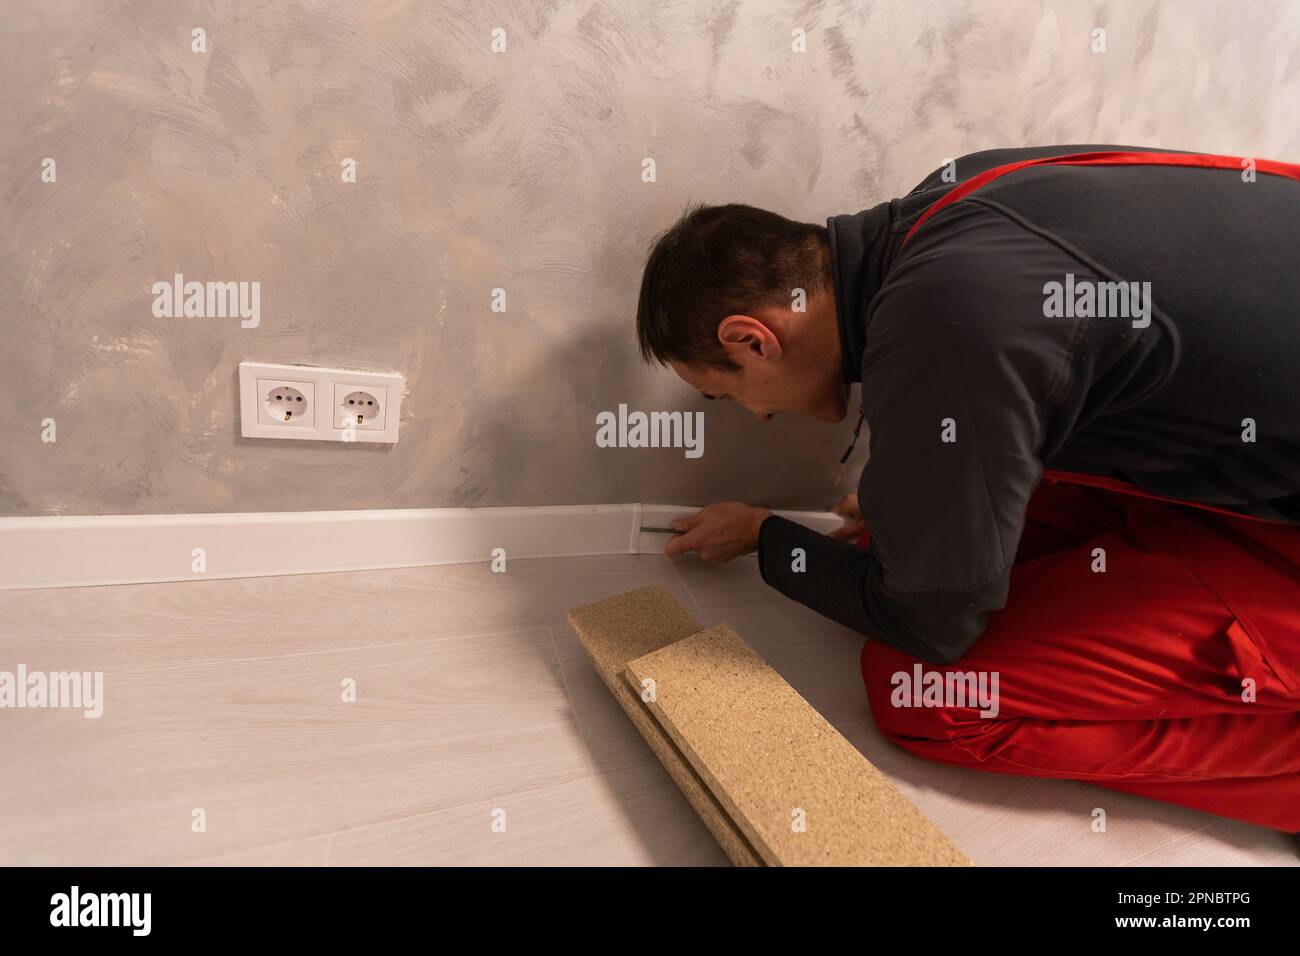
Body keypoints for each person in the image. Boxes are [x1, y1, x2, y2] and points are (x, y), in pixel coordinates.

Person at [634, 146, 1300, 832]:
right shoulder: (950, 204)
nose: (761, 415)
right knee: (893, 543)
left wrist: (768, 538)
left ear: (752, 339)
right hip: (1253, 461)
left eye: (729, 393)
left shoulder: (946, 318)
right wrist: (919, 490)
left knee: (924, 693)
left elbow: (934, 624)